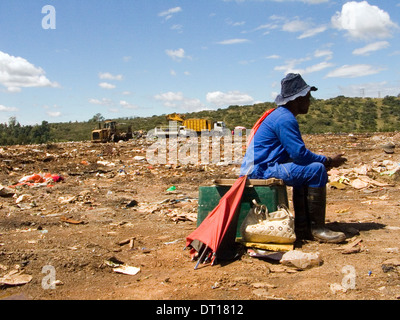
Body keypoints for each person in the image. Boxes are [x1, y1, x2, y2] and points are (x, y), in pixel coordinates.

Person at [240, 73, 347, 243]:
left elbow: (297, 155)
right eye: (308, 97)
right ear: (298, 99)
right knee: (316, 170)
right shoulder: (285, 119)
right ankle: (316, 228)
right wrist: (328, 161)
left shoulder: (281, 115)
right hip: (261, 170)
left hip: (263, 166)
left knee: (310, 169)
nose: (310, 101)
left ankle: (303, 227)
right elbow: (299, 154)